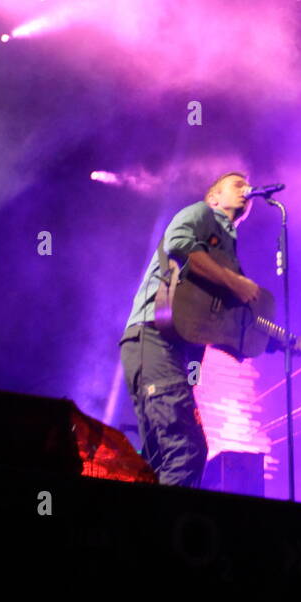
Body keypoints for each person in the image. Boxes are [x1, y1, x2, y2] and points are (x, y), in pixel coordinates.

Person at [118, 170, 261, 487]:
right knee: (187, 450)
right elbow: (178, 243)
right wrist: (235, 282)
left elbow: (219, 321)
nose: (247, 189)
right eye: (237, 184)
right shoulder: (201, 213)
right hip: (152, 336)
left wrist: (273, 339)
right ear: (214, 196)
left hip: (167, 350)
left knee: (159, 461)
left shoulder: (226, 252)